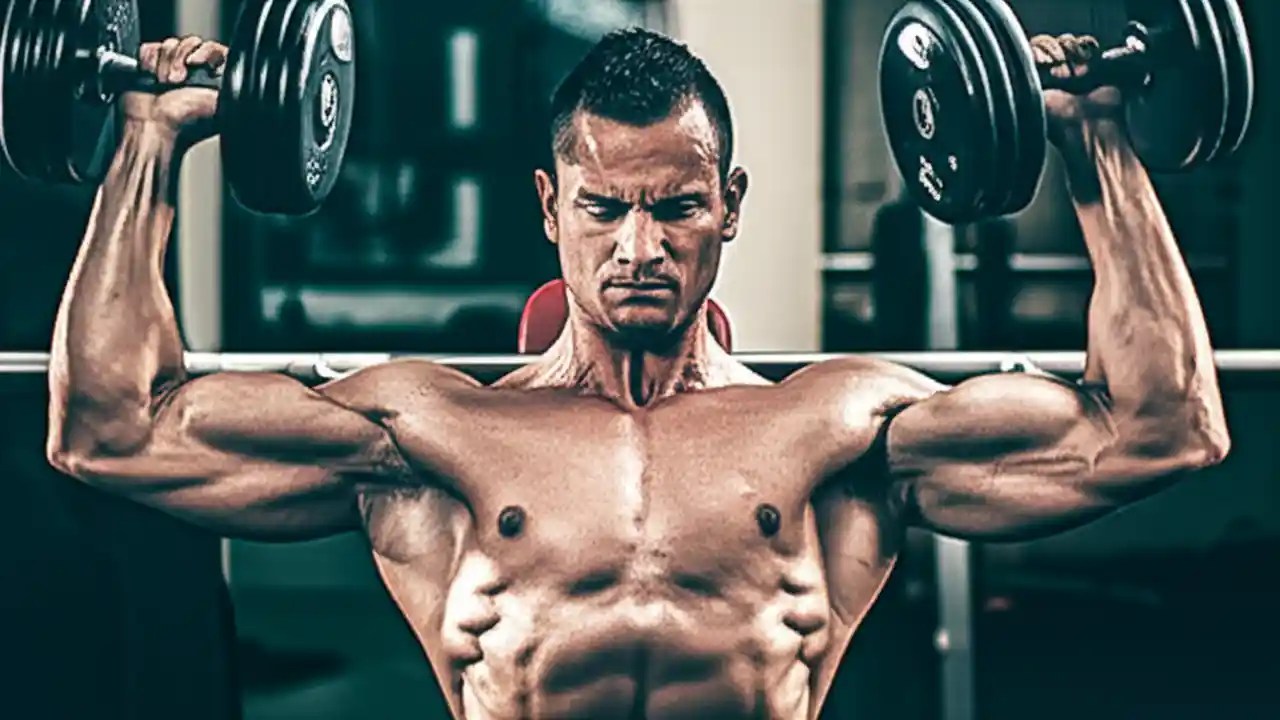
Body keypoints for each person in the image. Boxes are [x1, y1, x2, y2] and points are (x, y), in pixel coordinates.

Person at [46, 28, 1229, 720]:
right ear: (549, 206)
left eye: (676, 208)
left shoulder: (836, 425)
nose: (639, 246)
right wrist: (148, 142)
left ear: (728, 211)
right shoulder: (426, 431)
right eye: (605, 207)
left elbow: (1162, 428)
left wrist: (1092, 144)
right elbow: (107, 432)